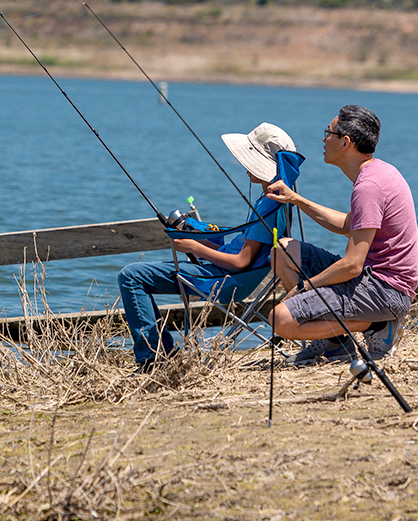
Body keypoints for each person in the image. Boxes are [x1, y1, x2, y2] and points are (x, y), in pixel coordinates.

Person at [116, 122, 300, 370]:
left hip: (225, 280)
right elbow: (244, 248)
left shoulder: (268, 206)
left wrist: (195, 247)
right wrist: (202, 236)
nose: (245, 167)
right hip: (231, 274)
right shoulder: (279, 200)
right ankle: (159, 351)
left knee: (131, 276)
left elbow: (241, 262)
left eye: (250, 159)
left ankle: (154, 357)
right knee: (136, 275)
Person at [265, 104, 418, 365]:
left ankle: (377, 325)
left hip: (386, 291)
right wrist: (296, 199)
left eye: (328, 133)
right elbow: (347, 225)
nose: (324, 139)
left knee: (279, 319)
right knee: (282, 251)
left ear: (345, 142)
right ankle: (337, 344)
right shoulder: (378, 172)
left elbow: (351, 265)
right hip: (373, 279)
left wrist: (303, 288)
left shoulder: (368, 186)